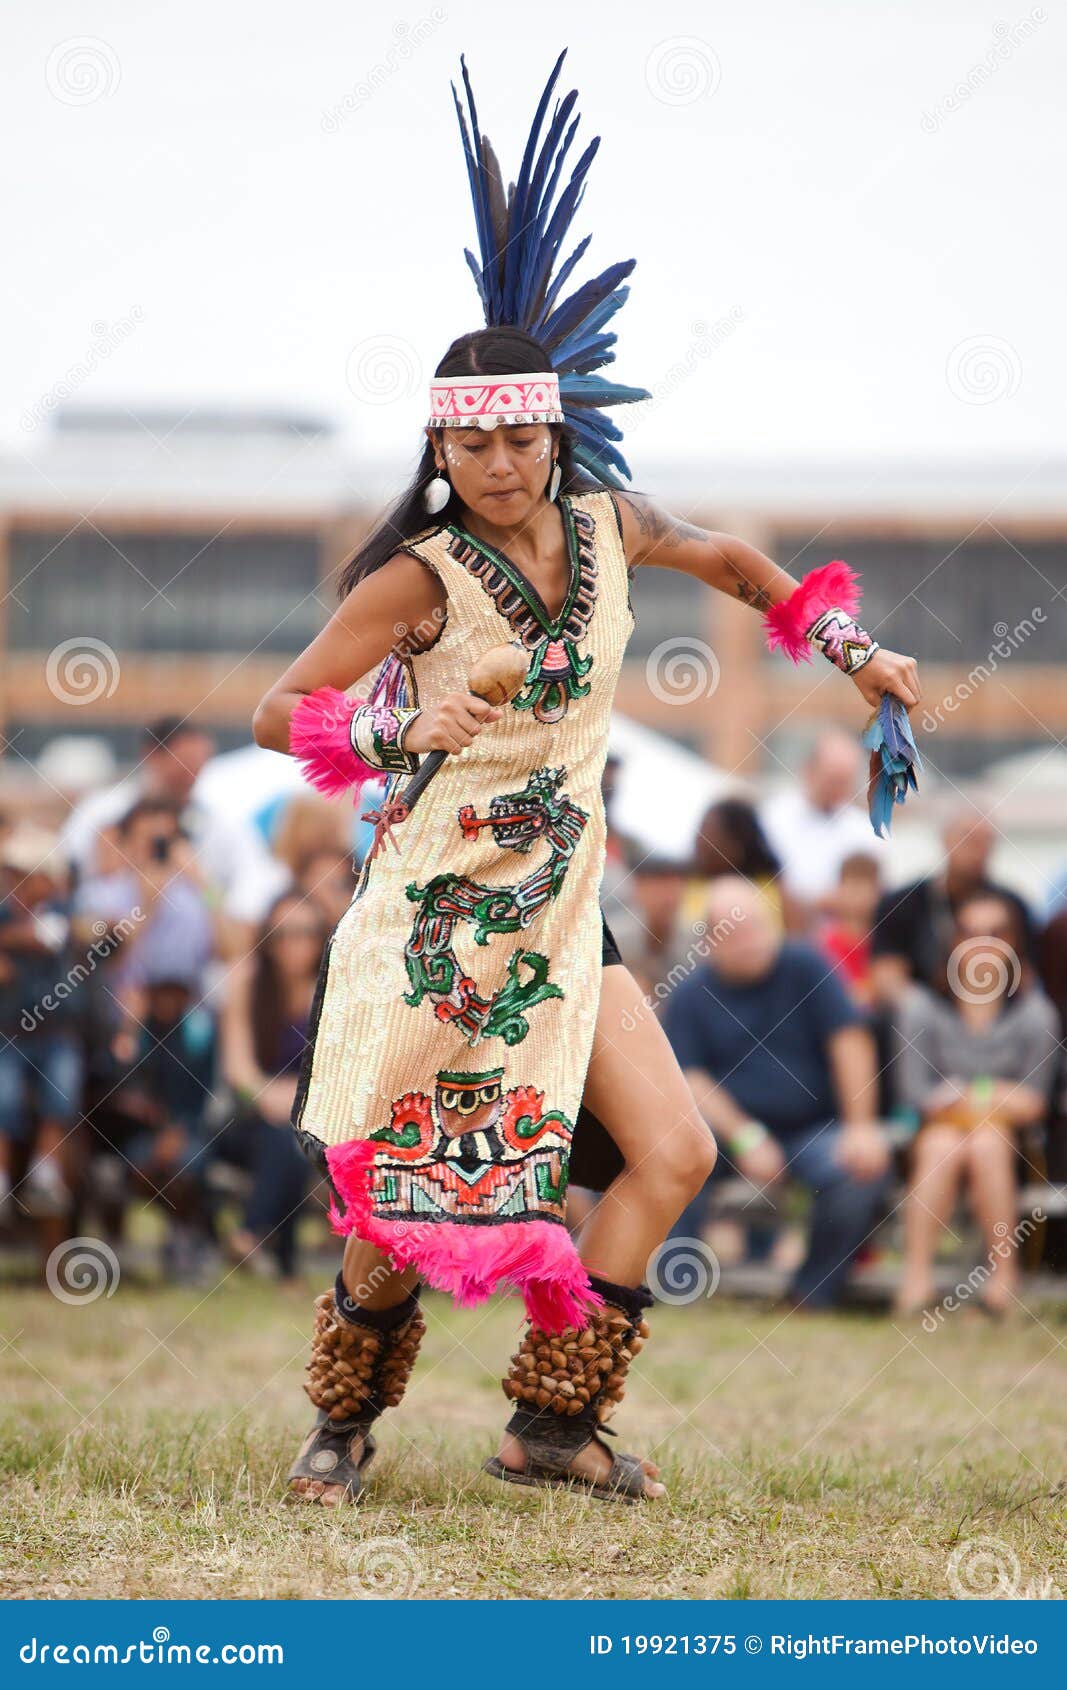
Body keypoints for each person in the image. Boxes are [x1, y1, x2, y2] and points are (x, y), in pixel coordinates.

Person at [251, 51, 921, 1507]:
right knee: (408, 1200)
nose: (498, 460)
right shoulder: (417, 576)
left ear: (552, 429)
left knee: (671, 1150)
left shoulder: (612, 521)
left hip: (564, 911)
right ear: (440, 444)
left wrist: (851, 648)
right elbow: (275, 710)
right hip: (432, 916)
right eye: (470, 439)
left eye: (519, 434)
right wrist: (402, 730)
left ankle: (550, 1424)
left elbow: (732, 562)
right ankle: (341, 1424)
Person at [662, 878, 893, 1310]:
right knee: (673, 1157)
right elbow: (689, 1078)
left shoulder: (807, 966)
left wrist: (861, 1127)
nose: (749, 941)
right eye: (734, 932)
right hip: (725, 1138)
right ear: (709, 941)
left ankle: (811, 1296)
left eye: (755, 926)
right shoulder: (691, 994)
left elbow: (850, 1042)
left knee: (861, 1170)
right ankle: (674, 1288)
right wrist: (745, 1135)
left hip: (812, 1130)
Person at [894, 891, 1059, 1318]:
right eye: (970, 933)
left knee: (987, 1142)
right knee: (943, 1144)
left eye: (996, 933)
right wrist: (995, 1096)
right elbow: (915, 1094)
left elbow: (1034, 1102)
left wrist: (964, 1096)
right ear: (954, 941)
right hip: (937, 1138)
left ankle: (1003, 1281)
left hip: (1013, 1148)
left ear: (1014, 942)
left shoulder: (1035, 1013)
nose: (982, 944)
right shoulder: (922, 1007)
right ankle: (916, 1280)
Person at [214, 893, 323, 1280]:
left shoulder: (332, 992)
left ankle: (253, 1235)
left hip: (310, 1119)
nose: (294, 945)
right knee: (282, 1138)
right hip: (248, 1119)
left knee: (290, 1140)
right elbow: (238, 1070)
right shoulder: (246, 983)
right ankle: (278, 1257)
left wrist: (294, 1103)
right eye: (283, 935)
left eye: (305, 933)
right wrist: (275, 1098)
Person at [0, 826, 85, 1221]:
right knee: (3, 1100)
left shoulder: (60, 914)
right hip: (8, 1034)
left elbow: (45, 937)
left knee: (60, 1098)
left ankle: (46, 1174)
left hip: (54, 1035)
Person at [870, 800, 1035, 1002]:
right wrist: (926, 1011)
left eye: (986, 841)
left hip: (995, 1009)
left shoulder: (1013, 906)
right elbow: (886, 974)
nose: (978, 849)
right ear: (945, 839)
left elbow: (1026, 976)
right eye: (969, 839)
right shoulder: (902, 903)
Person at [760, 729, 884, 911]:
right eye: (832, 780)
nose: (837, 789)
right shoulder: (772, 818)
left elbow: (876, 892)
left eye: (844, 781)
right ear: (809, 770)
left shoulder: (866, 830)